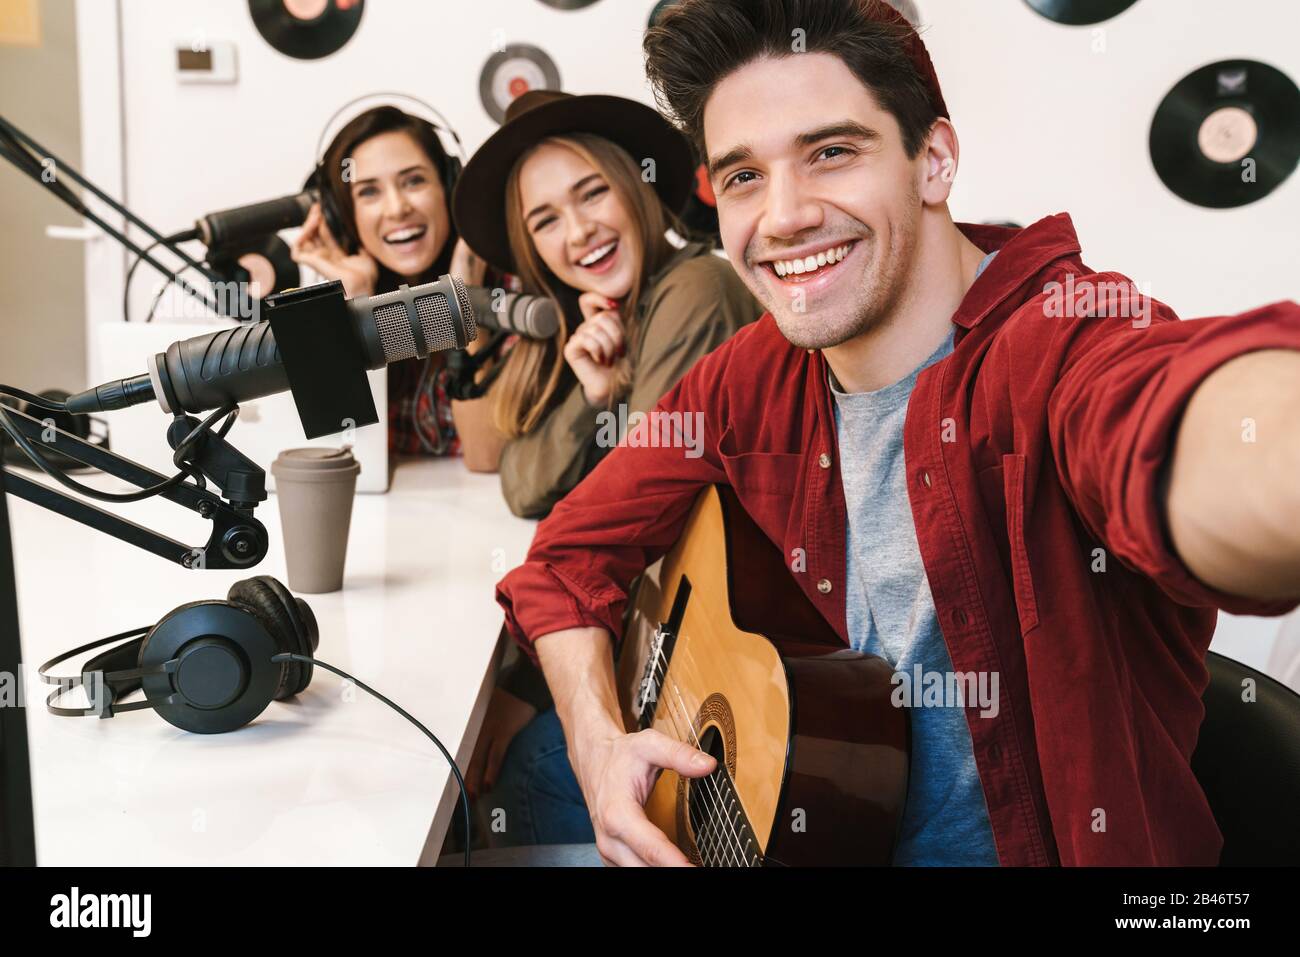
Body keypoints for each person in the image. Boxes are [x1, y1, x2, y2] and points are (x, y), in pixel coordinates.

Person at [495, 0, 1300, 866]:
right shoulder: (749, 374)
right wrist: (595, 741)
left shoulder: (1061, 344)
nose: (785, 215)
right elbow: (564, 559)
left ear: (935, 161)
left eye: (831, 152)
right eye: (742, 176)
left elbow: (1176, 420)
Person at [450, 90, 761, 845]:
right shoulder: (611, 315)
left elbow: (629, 505)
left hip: (723, 666)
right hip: (657, 638)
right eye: (545, 219)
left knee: (516, 776)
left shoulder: (695, 288)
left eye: (592, 193)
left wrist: (527, 687)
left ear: (638, 186)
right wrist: (601, 395)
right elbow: (523, 480)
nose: (578, 230)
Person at [291, 104, 499, 464]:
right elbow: (345, 460)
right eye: (369, 192)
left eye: (414, 181)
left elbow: (486, 457)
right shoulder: (338, 307)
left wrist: (463, 299)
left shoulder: (504, 292)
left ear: (450, 187)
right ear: (343, 217)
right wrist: (355, 301)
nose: (397, 209)